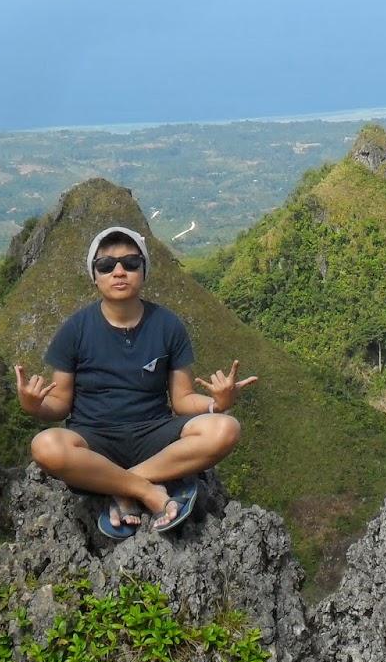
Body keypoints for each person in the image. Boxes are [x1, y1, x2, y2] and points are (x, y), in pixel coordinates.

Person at [16, 225, 255, 537]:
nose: (119, 272)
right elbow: (59, 405)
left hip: (153, 434)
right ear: (94, 275)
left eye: (130, 263)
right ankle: (151, 491)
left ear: (143, 271)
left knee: (226, 428)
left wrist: (217, 403)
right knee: (45, 445)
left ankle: (122, 487)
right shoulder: (75, 329)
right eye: (106, 265)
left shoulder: (168, 325)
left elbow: (182, 400)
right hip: (94, 438)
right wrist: (32, 405)